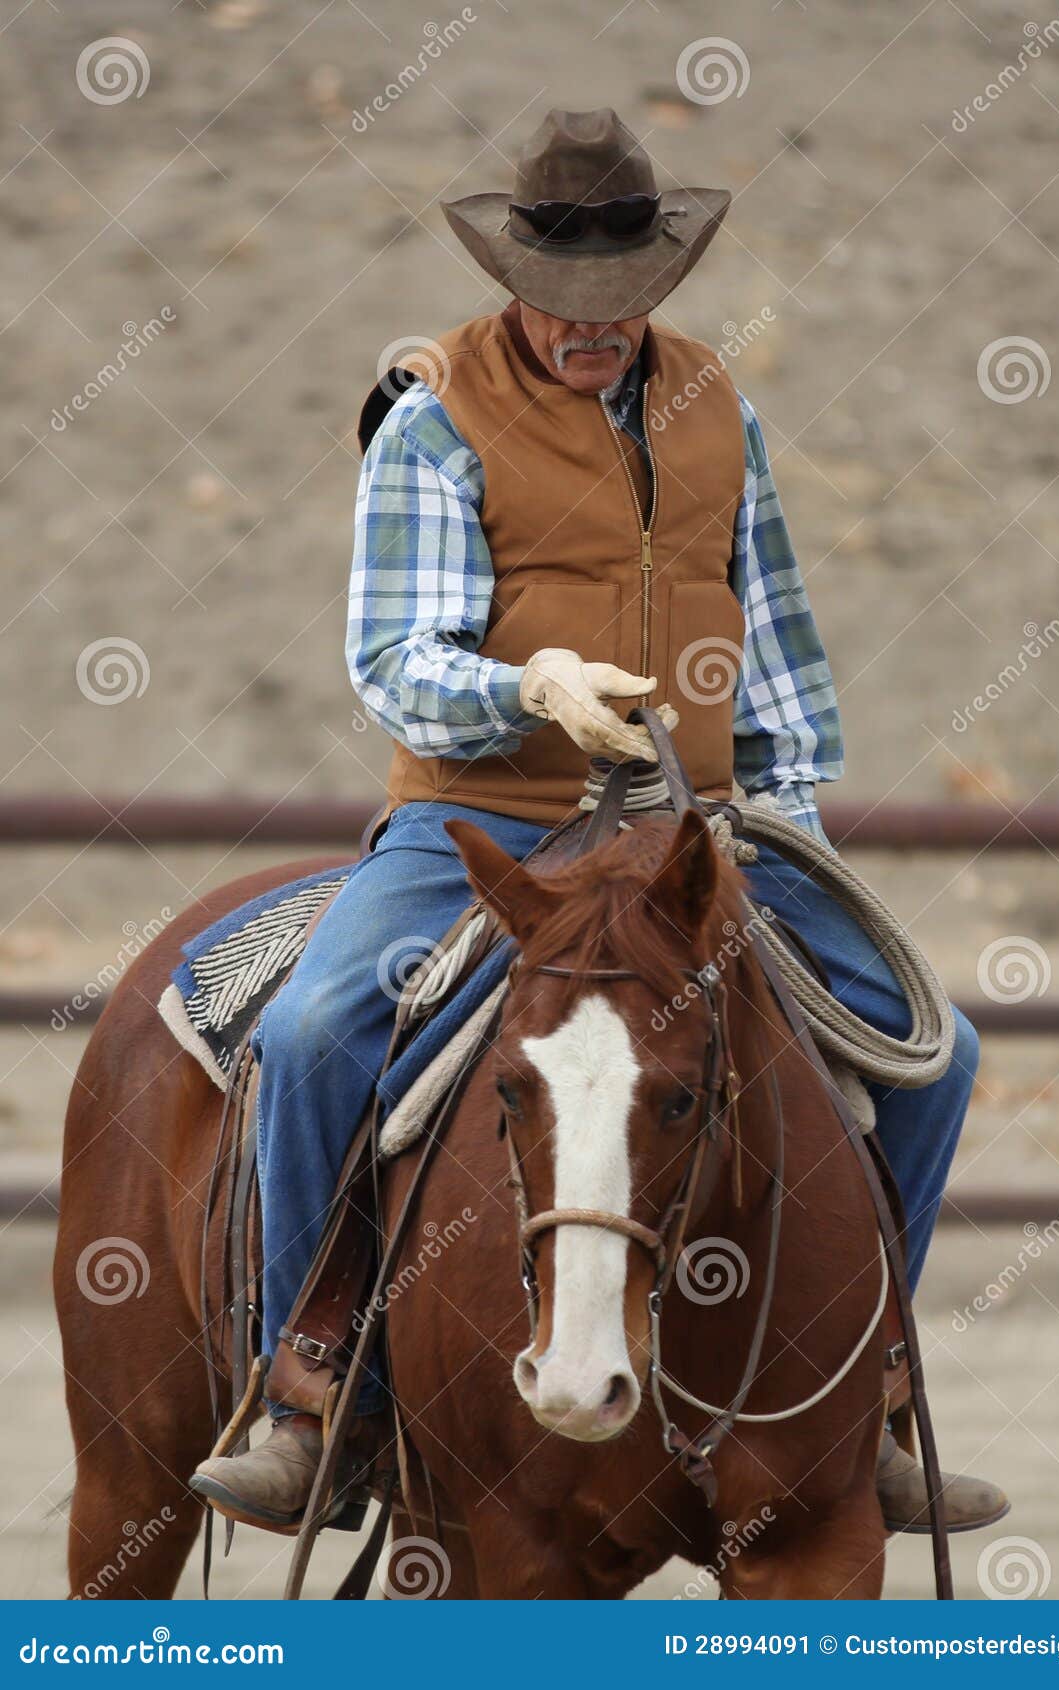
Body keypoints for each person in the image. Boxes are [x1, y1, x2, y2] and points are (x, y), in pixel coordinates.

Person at [192, 108, 1007, 1537]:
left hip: (693, 830)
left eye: (623, 303)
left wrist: (779, 822)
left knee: (940, 1053)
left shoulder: (717, 408)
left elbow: (780, 648)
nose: (595, 330)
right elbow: (393, 661)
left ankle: (868, 1386)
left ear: (659, 282)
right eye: (565, 305)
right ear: (514, 279)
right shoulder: (435, 417)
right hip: (479, 827)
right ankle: (313, 1379)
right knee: (320, 1027)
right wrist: (536, 687)